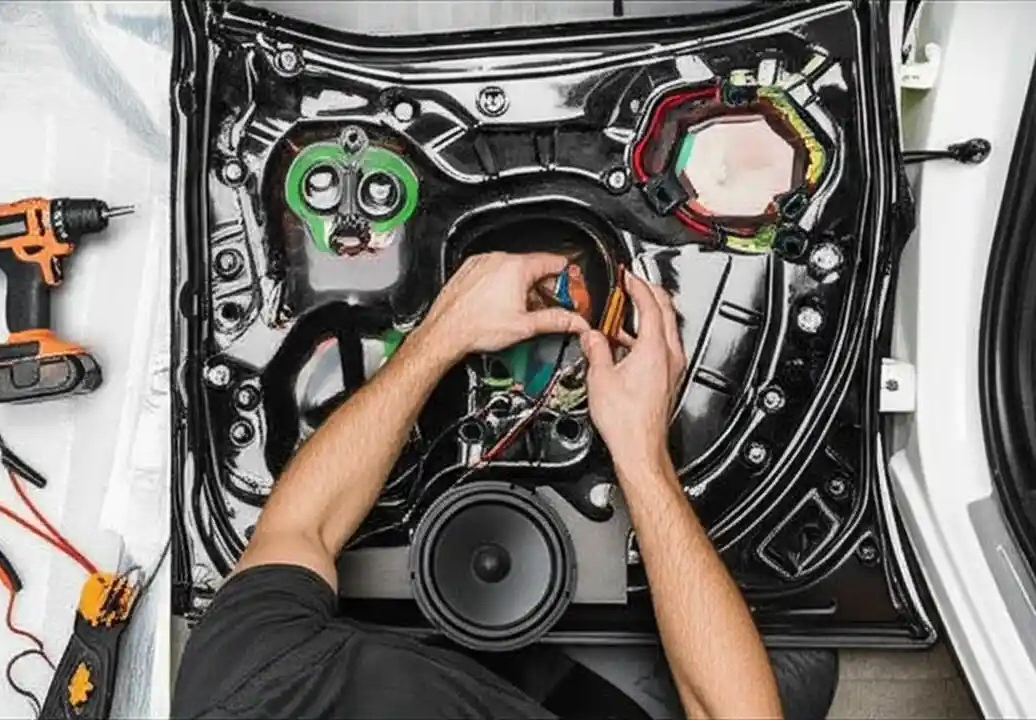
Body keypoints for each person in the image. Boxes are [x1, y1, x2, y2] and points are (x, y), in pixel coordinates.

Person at [176, 252, 784, 719]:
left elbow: (298, 526)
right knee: (797, 665)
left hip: (467, 674)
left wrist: (442, 336)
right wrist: (643, 459)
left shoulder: (246, 691)